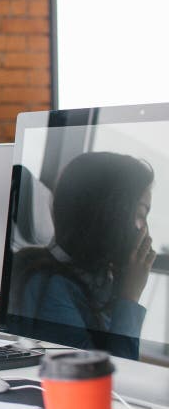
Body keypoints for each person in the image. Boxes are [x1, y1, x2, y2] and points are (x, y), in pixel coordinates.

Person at [10, 152, 155, 359]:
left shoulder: (98, 280)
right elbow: (106, 373)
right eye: (140, 214)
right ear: (107, 214)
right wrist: (130, 298)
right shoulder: (51, 287)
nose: (144, 230)